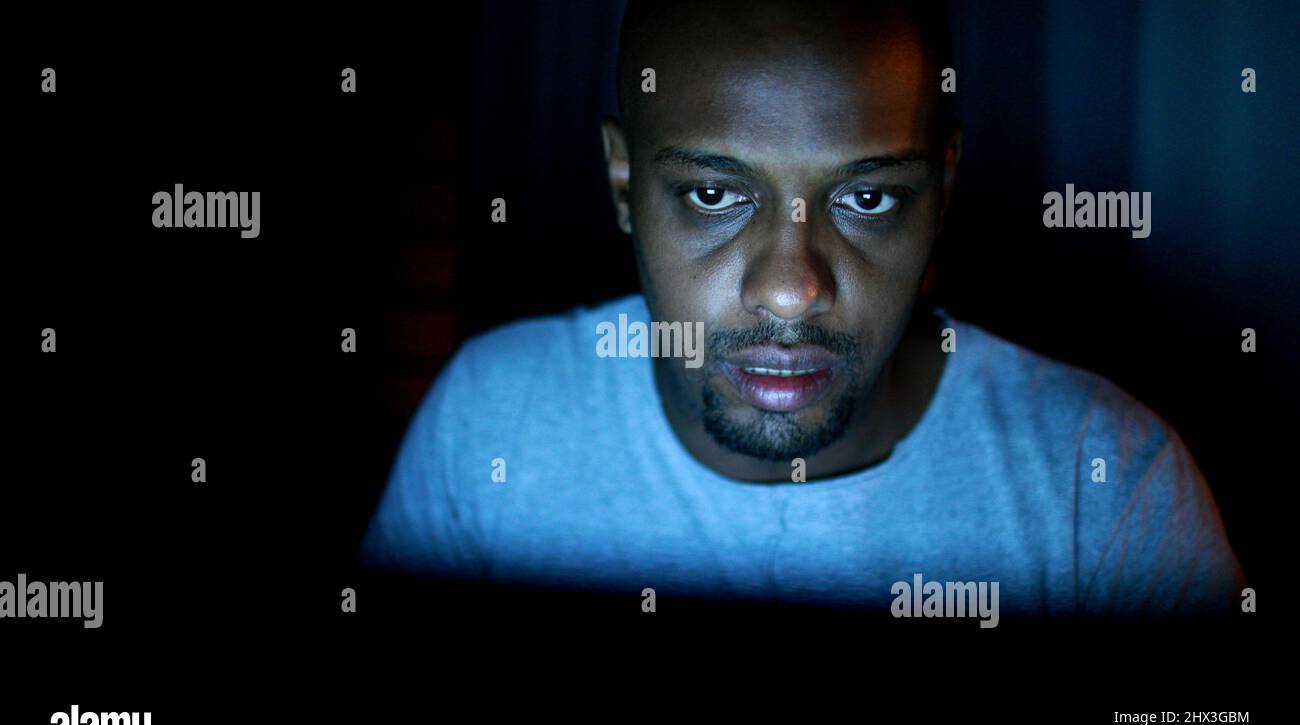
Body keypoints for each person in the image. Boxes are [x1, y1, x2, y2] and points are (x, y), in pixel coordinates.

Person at [361, 0, 1245, 617]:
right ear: (625, 183)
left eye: (866, 201)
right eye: (713, 195)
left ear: (941, 191)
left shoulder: (1105, 483)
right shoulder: (490, 425)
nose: (791, 288)